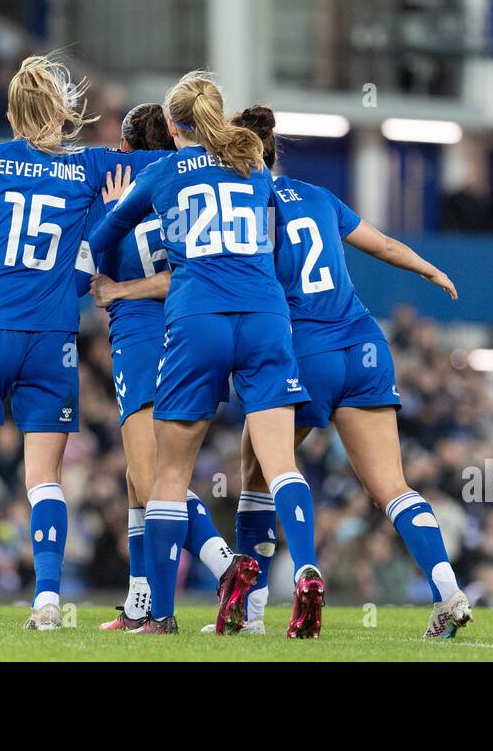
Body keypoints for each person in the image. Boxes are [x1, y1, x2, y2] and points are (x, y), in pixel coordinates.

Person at [0, 56, 167, 631]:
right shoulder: (93, 167)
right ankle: (47, 602)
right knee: (44, 479)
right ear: (62, 111)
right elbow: (164, 165)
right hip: (53, 338)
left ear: (10, 114)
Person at [89, 72, 324, 637]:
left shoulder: (164, 170)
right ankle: (307, 572)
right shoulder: (255, 166)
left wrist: (108, 247)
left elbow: (103, 235)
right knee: (279, 465)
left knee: (169, 474)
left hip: (198, 318)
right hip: (265, 317)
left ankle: (161, 617)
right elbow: (271, 239)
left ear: (173, 127)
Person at [230, 105, 472, 639]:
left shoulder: (246, 207)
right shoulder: (317, 196)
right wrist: (430, 268)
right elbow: (382, 244)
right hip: (364, 345)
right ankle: (448, 591)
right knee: (393, 487)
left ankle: (256, 609)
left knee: (260, 474)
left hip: (304, 349)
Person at [85, 104, 259, 633]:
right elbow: (189, 270)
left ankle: (224, 563)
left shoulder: (126, 183)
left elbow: (93, 256)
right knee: (145, 484)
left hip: (139, 335)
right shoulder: (190, 183)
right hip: (186, 327)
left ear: (132, 144)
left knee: (149, 476)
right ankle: (141, 599)